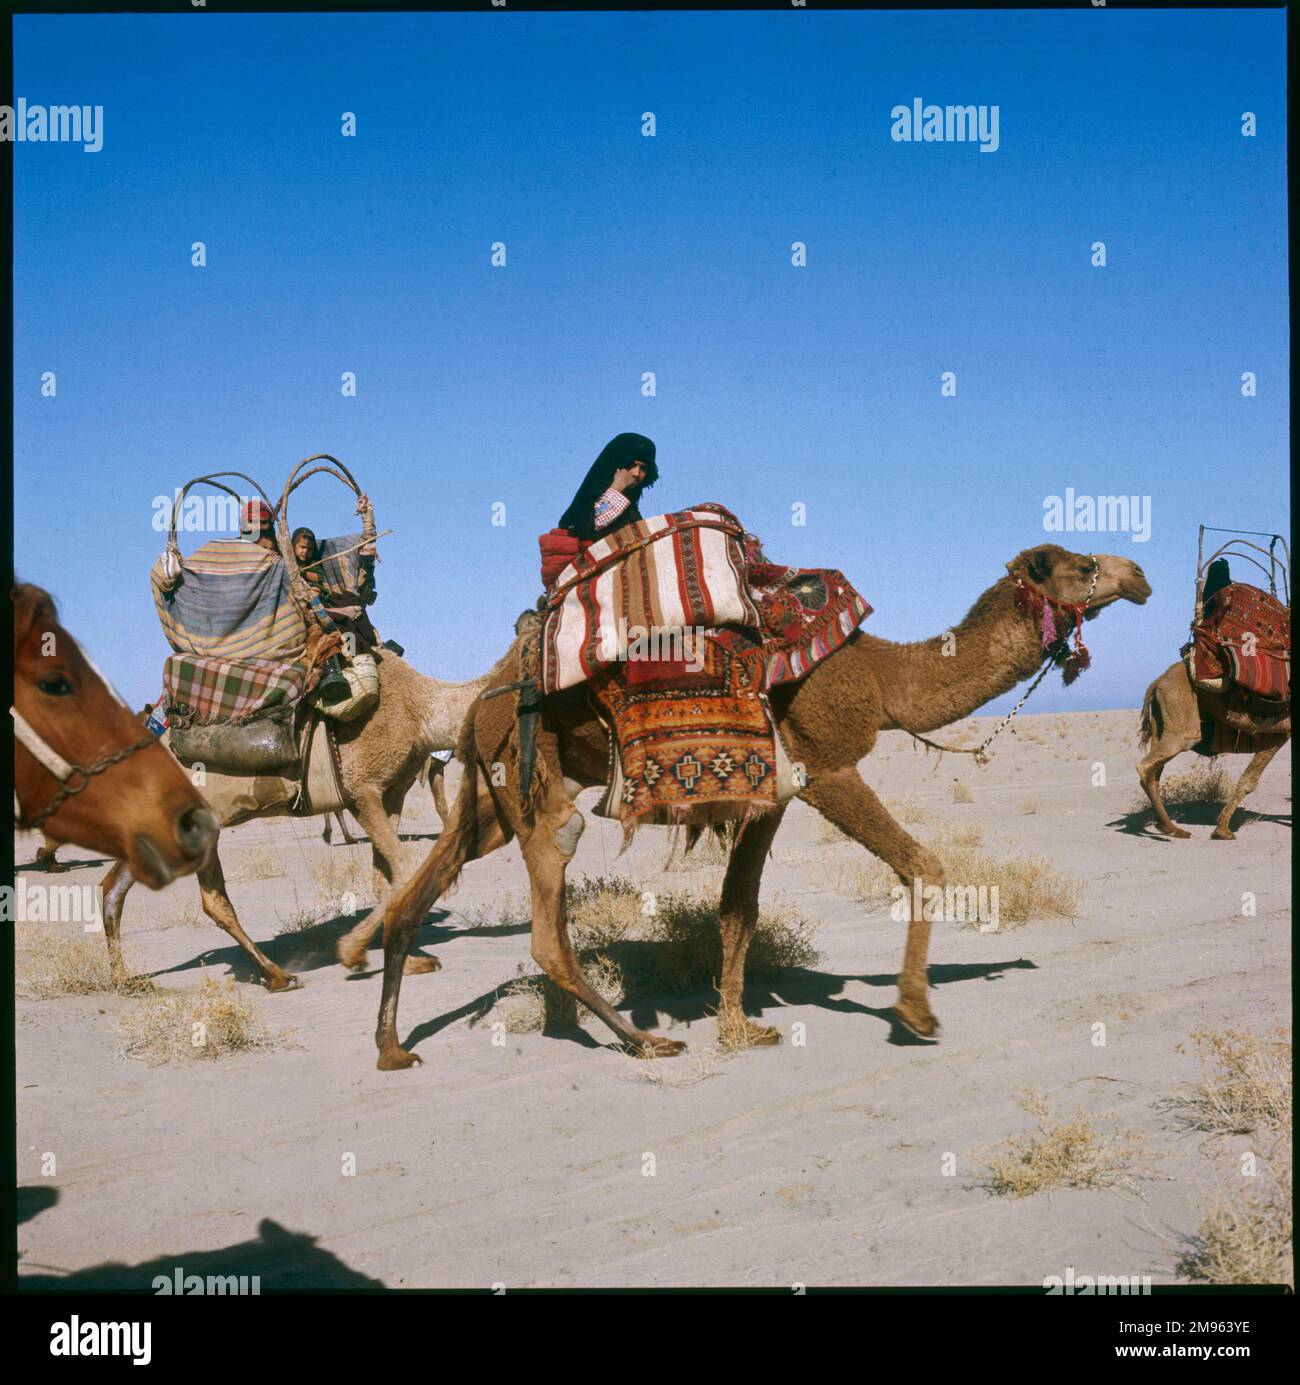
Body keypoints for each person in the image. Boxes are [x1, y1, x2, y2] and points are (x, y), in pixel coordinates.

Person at [539, 433, 658, 589]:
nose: (636, 473)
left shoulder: (629, 509)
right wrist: (618, 486)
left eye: (643, 468)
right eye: (631, 465)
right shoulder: (588, 502)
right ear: (617, 464)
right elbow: (595, 524)